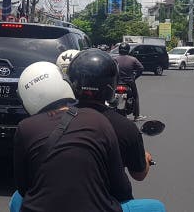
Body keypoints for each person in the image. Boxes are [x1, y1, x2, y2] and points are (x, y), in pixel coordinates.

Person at [10, 61, 144, 212]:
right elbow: (121, 189)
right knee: (156, 207)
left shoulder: (25, 128)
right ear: (65, 83)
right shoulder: (98, 120)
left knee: (16, 198)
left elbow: (23, 188)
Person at [68, 49, 153, 193]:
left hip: (60, 198)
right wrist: (145, 158)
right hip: (109, 201)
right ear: (111, 85)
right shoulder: (126, 127)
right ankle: (137, 113)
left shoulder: (47, 121)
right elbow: (139, 175)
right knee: (156, 207)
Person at [114, 42, 145, 121]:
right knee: (135, 97)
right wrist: (135, 77)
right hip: (129, 82)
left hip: (116, 82)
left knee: (109, 96)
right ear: (128, 50)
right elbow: (141, 68)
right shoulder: (133, 59)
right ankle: (137, 115)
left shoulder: (114, 59)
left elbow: (108, 69)